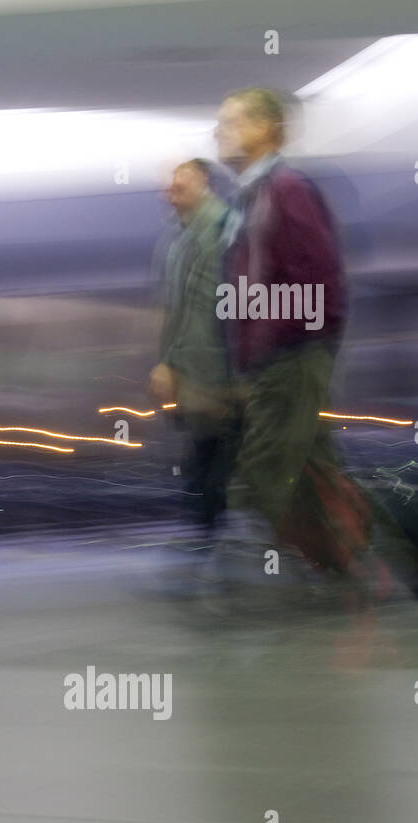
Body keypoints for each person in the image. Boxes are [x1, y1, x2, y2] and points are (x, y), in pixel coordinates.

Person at [214, 87, 391, 657]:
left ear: (266, 129)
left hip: (292, 355)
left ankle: (231, 578)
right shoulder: (250, 197)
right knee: (313, 471)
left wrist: (284, 345)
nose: (219, 133)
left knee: (262, 464)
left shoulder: (285, 191)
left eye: (231, 123)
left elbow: (316, 279)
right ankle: (359, 571)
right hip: (274, 357)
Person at [149, 159, 237, 541]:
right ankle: (209, 546)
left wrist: (215, 380)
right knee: (206, 460)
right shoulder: (178, 235)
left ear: (203, 180)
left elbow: (211, 312)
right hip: (195, 373)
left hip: (217, 372)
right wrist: (168, 364)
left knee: (212, 463)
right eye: (166, 183)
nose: (168, 188)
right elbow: (177, 307)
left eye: (178, 179)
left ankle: (208, 548)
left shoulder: (220, 230)